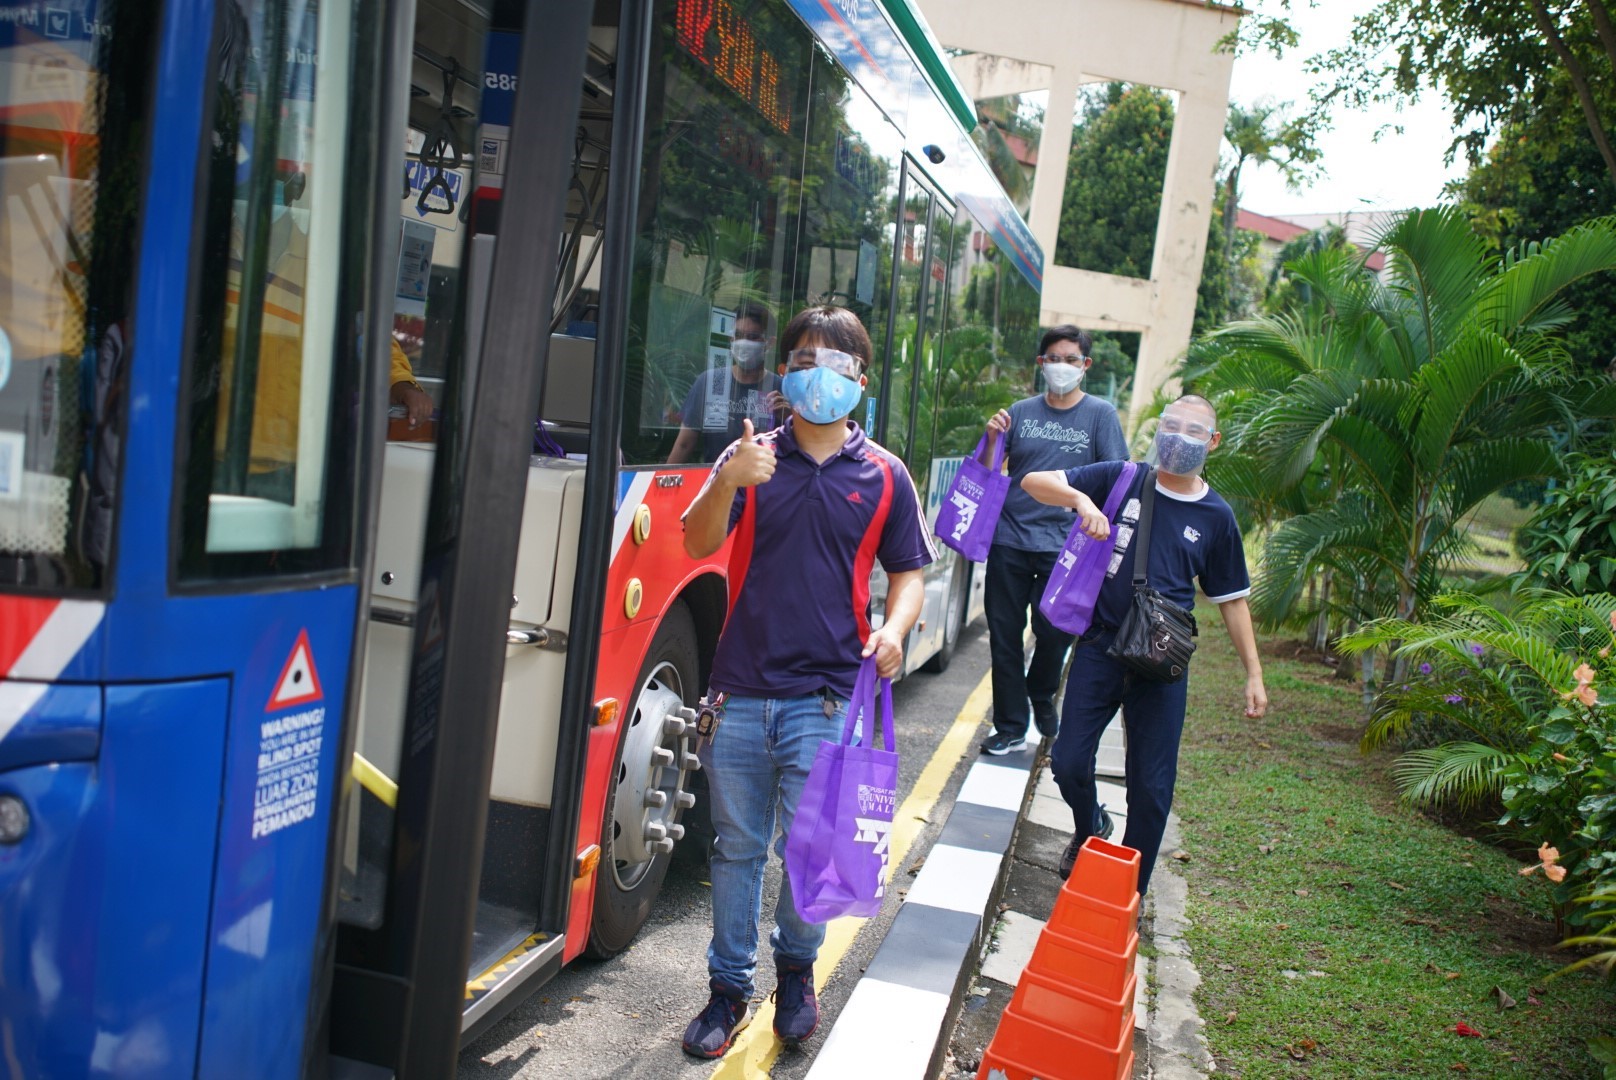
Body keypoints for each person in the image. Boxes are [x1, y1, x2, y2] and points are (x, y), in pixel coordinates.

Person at [679, 304, 934, 1058]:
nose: (818, 375)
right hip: (739, 688)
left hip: (828, 698)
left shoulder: (885, 474)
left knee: (809, 850)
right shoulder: (751, 457)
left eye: (836, 363)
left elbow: (908, 574)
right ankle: (728, 989)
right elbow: (695, 539)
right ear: (783, 374)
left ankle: (795, 971)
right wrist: (727, 480)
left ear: (861, 379)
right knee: (734, 848)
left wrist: (894, 630)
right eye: (803, 360)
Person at [1021, 394, 1268, 896]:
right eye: (1171, 426)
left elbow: (1232, 601)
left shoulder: (1216, 516)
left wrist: (1254, 673)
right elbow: (1033, 481)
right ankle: (1090, 825)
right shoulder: (1124, 477)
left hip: (1161, 662)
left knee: (1151, 791)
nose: (1179, 437)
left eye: (1194, 431)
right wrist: (1081, 501)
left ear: (1213, 442)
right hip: (1100, 647)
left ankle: (1126, 894)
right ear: (1158, 430)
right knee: (1068, 762)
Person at [978, 326, 1127, 756]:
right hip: (1010, 540)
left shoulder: (1100, 415)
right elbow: (987, 470)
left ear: (1086, 365)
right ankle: (1010, 726)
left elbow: (1117, 476)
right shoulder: (1020, 412)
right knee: (1004, 637)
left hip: (1067, 547)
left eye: (1071, 359)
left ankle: (1041, 692)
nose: (1062, 367)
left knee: (1055, 632)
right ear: (1041, 363)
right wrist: (992, 438)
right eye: (1054, 359)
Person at [667, 301, 783, 464]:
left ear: (769, 342)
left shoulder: (779, 388)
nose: (743, 343)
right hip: (715, 476)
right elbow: (684, 444)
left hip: (762, 478)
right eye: (738, 335)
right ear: (731, 338)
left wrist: (787, 416)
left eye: (752, 337)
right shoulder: (709, 382)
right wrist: (664, 477)